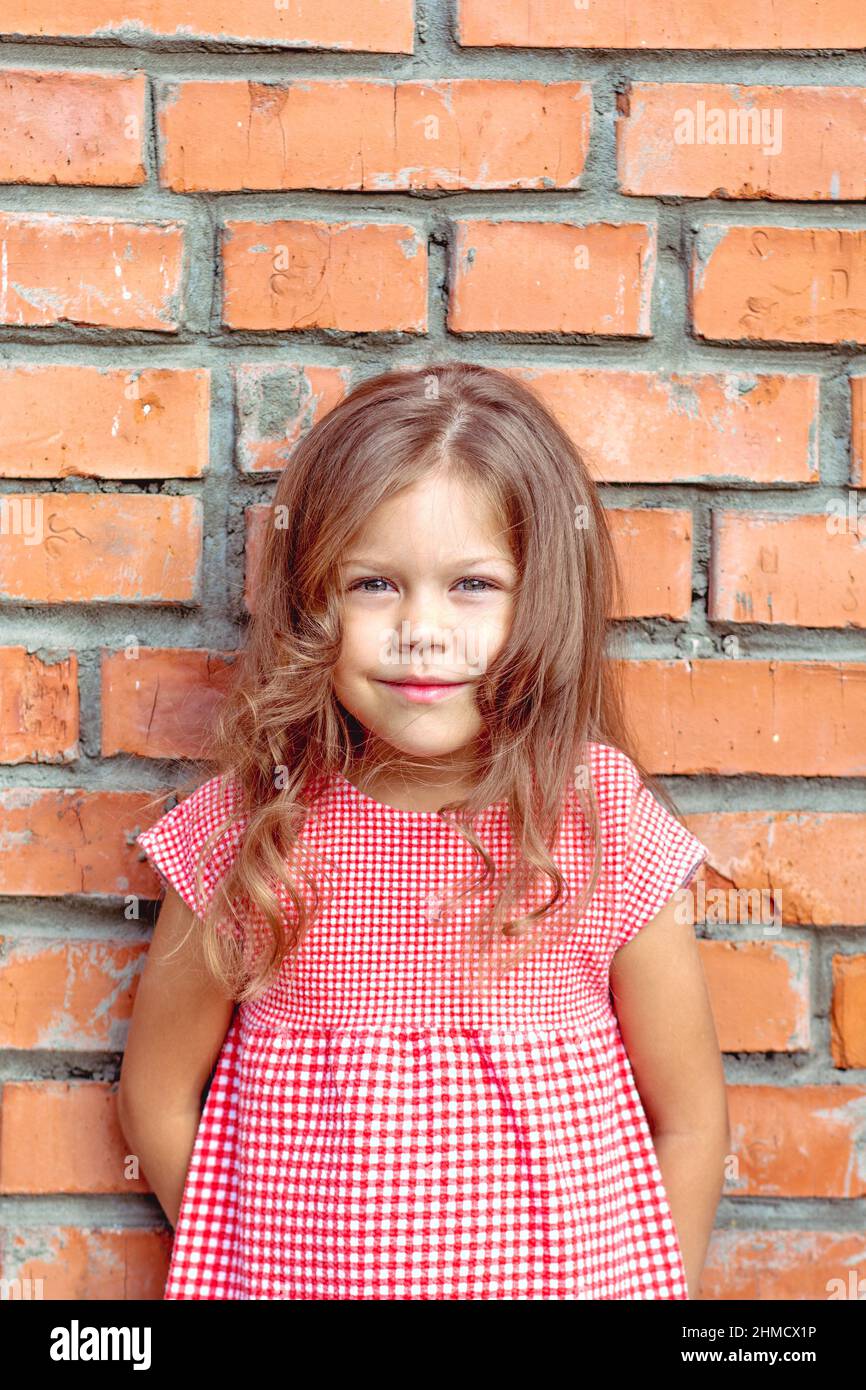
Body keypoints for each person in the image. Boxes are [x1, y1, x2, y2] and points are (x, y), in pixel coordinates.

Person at [118, 361, 730, 1300]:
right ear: (311, 602)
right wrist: (255, 1260)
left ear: (543, 601)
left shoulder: (599, 822)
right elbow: (158, 1094)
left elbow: (687, 1119)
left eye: (474, 585)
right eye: (373, 584)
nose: (423, 632)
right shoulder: (249, 831)